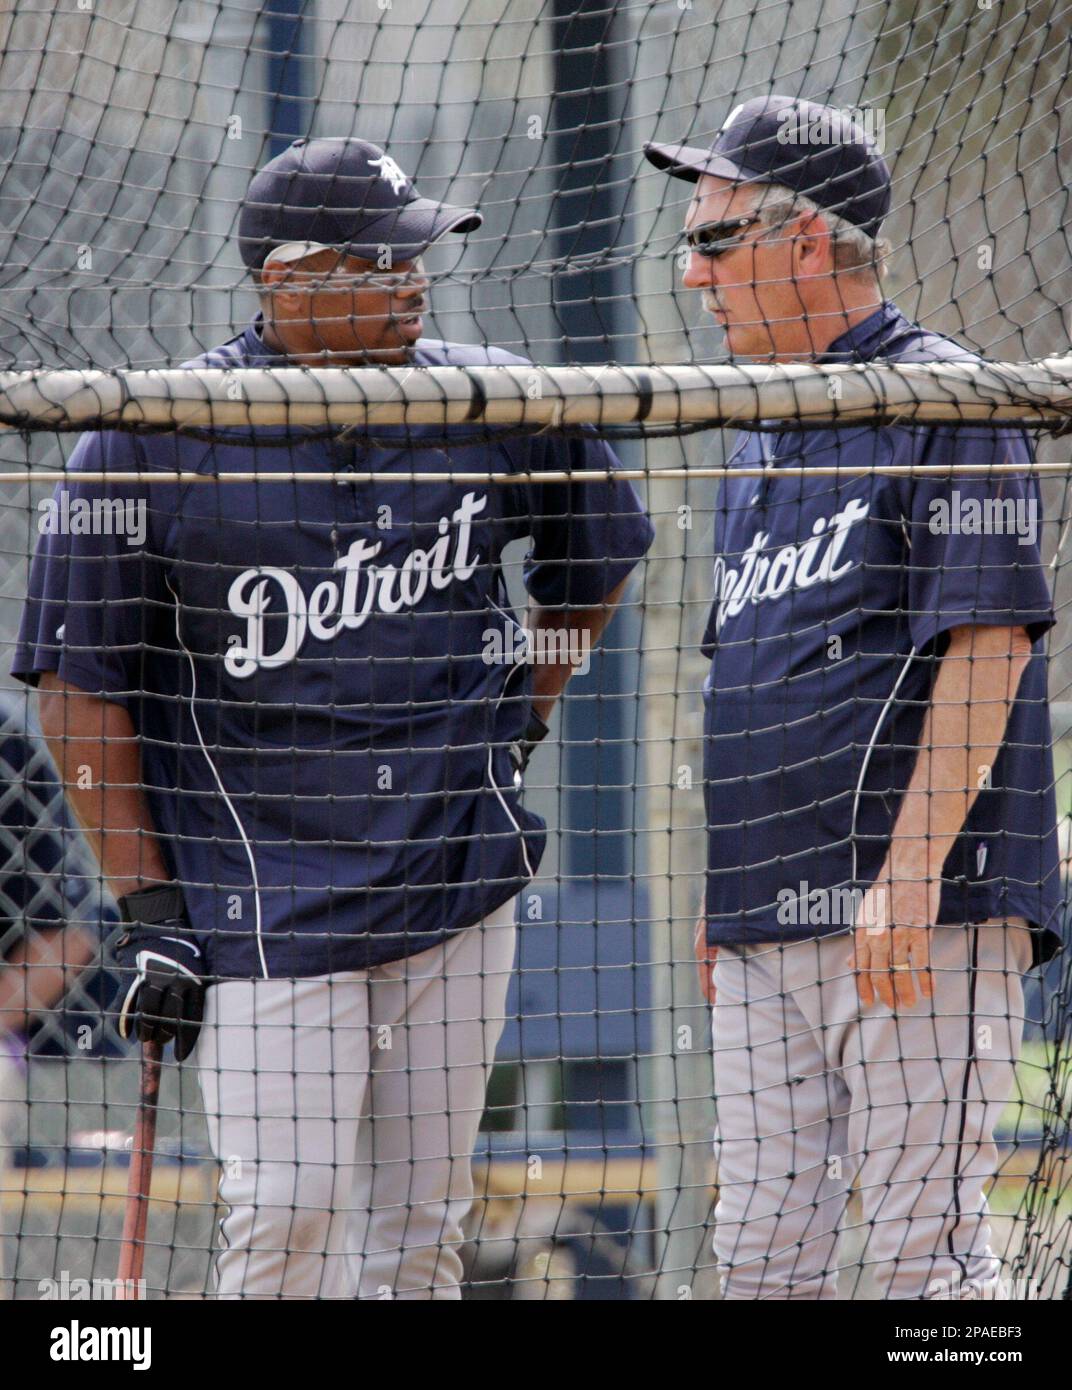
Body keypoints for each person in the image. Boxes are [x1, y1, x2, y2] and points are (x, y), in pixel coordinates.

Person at [14, 137, 654, 1299]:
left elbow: (596, 559)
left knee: (422, 1230)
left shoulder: (489, 395)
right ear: (289, 280)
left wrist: (526, 704)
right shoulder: (154, 432)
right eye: (384, 260)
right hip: (262, 890)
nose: (416, 279)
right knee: (289, 1213)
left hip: (452, 871)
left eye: (420, 257)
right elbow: (77, 687)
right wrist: (150, 903)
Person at [645, 96, 1060, 1300]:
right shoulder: (756, 422)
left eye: (712, 241)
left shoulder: (947, 397)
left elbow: (989, 643)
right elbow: (756, 673)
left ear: (807, 242)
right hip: (767, 914)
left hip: (915, 912)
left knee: (925, 1258)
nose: (689, 274)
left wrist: (913, 867)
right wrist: (729, 897)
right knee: (762, 1259)